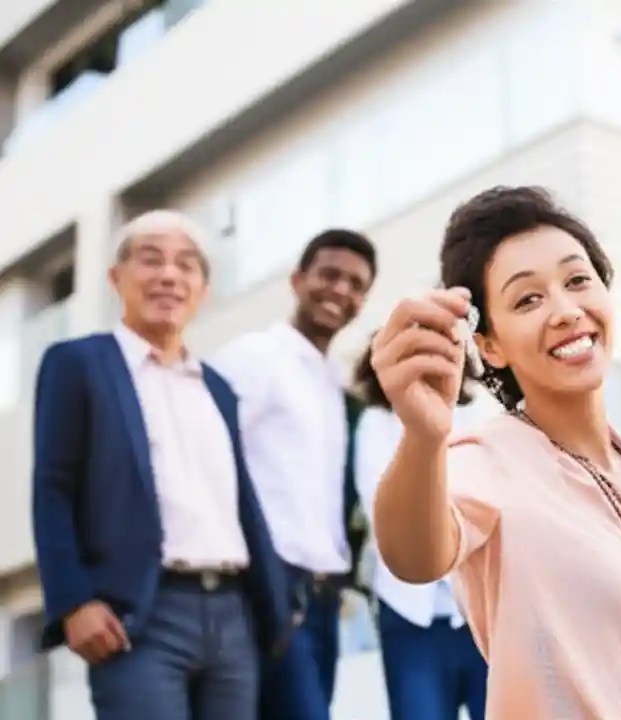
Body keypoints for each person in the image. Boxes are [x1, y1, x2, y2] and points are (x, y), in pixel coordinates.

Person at [367, 185, 621, 719]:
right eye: (528, 298)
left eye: (578, 280)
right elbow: (414, 558)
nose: (566, 311)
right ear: (490, 344)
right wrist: (422, 436)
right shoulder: (484, 456)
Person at [30, 210, 291, 720]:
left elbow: (240, 501)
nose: (169, 275)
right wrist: (72, 602)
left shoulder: (218, 388)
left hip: (234, 615)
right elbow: (53, 488)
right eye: (151, 260)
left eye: (186, 265)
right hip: (139, 612)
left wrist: (273, 609)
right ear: (115, 278)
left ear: (203, 288)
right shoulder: (79, 363)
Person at [210, 229, 377, 719]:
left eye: (355, 283)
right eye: (329, 275)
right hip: (269, 584)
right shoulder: (256, 356)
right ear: (298, 280)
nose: (340, 290)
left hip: (324, 600)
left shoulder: (333, 385)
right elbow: (205, 454)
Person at [351, 339, 492, 720]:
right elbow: (385, 509)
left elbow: (486, 503)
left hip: (483, 612)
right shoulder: (376, 422)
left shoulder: (477, 414)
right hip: (410, 615)